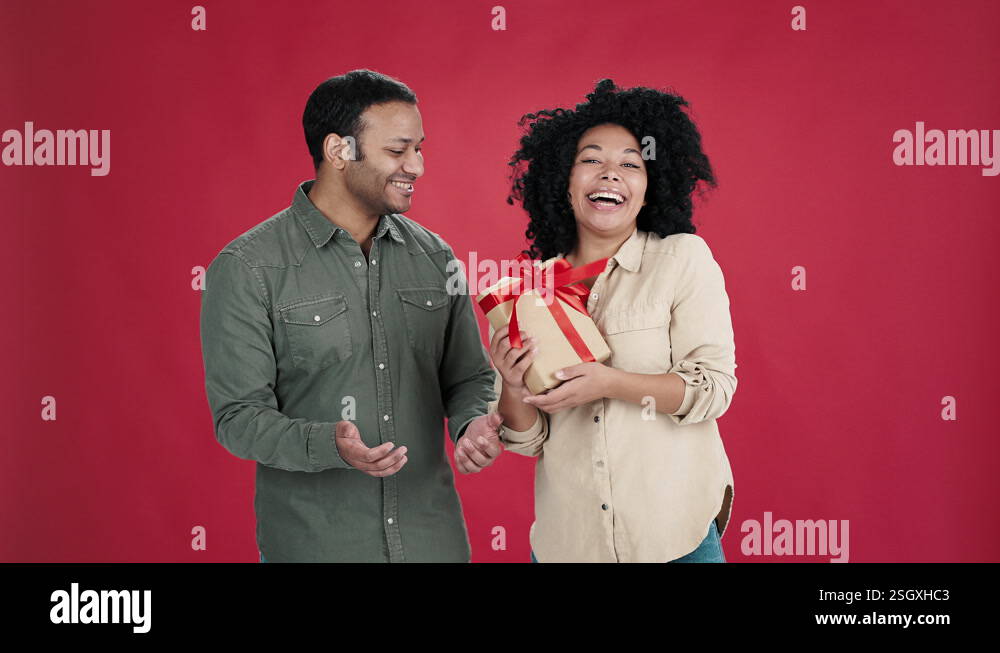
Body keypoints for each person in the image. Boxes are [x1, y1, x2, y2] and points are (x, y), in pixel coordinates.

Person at [200, 69, 504, 563]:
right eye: (398, 150)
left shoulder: (434, 256)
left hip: (434, 542)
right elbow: (238, 418)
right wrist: (329, 445)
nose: (418, 166)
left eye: (420, 148)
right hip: (318, 546)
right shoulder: (248, 268)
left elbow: (469, 375)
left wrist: (472, 424)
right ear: (340, 151)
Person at [489, 79, 737, 563]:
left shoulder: (682, 259)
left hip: (674, 536)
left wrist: (609, 383)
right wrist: (512, 384)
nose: (610, 173)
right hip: (570, 544)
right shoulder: (531, 290)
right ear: (564, 179)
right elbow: (528, 439)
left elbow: (713, 389)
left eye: (630, 163)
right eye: (591, 159)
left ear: (650, 188)